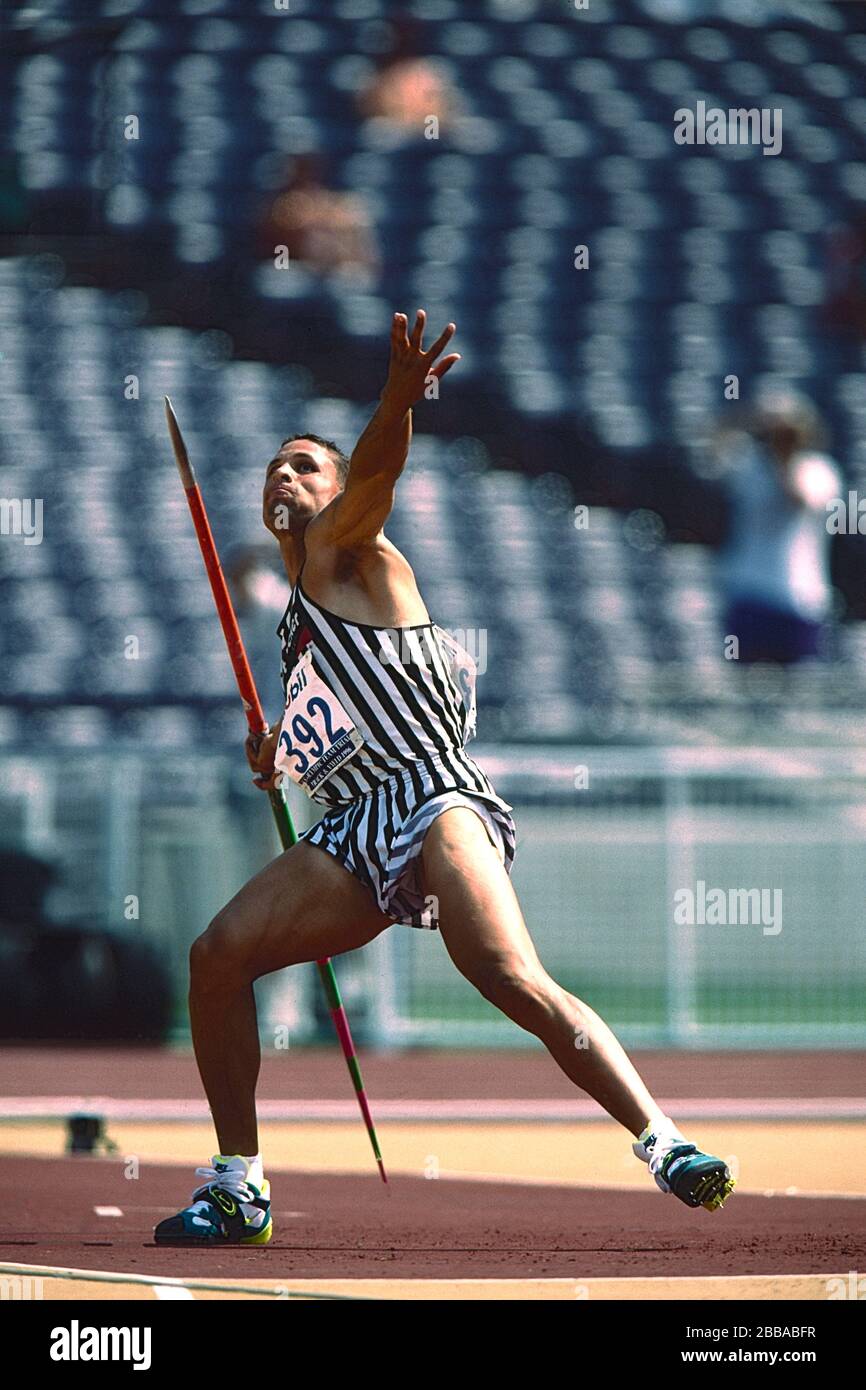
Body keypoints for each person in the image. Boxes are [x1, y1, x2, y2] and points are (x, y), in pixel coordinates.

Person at [154, 311, 734, 1245]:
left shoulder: (352, 551)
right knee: (216, 960)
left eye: (305, 464)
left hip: (435, 797)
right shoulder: (301, 619)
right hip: (353, 828)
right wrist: (281, 756)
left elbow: (379, 469)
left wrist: (395, 398)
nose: (282, 475)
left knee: (504, 973)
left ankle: (665, 1144)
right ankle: (240, 1186)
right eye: (273, 466)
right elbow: (339, 735)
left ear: (336, 493)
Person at [715, 390, 842, 665]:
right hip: (750, 593)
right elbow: (714, 445)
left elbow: (797, 500)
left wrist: (784, 459)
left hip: (799, 598)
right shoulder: (749, 466)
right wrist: (747, 416)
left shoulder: (818, 470)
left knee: (799, 696)